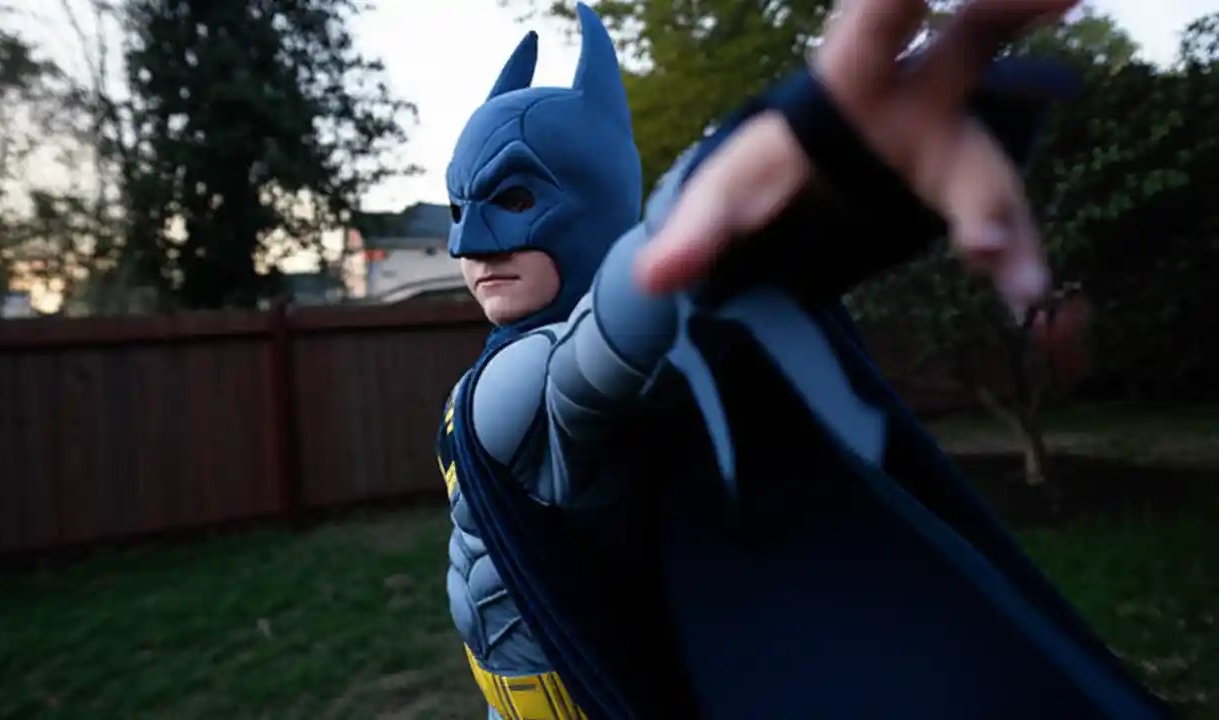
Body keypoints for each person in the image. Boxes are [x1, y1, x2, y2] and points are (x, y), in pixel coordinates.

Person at [436, 2, 1170, 718]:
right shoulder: (533, 364)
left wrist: (764, 159)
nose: (469, 245)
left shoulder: (527, 382)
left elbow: (621, 323)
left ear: (593, 195)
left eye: (514, 198)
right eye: (458, 210)